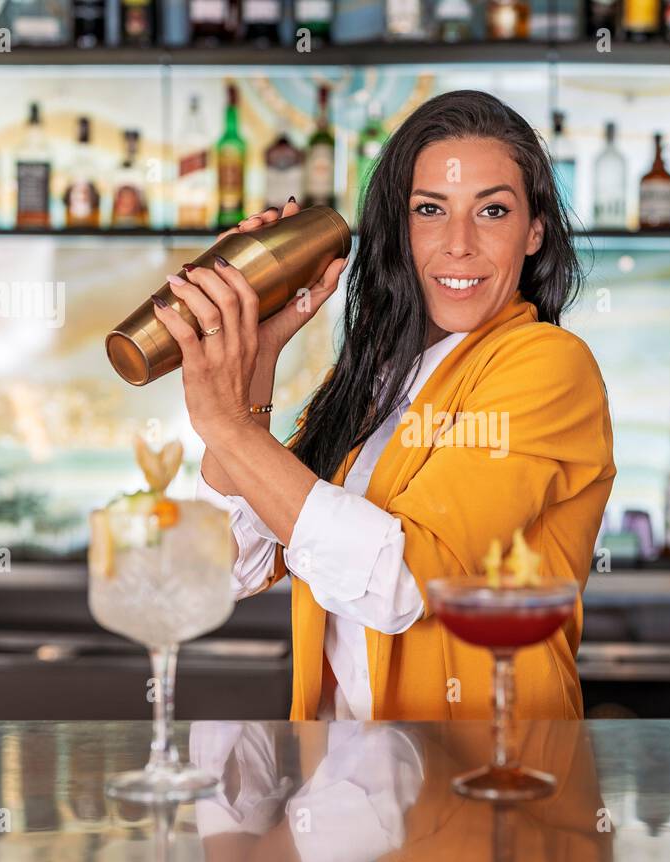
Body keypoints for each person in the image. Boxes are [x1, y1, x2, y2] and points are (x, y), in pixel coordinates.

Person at [154, 89, 616, 720]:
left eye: (493, 212)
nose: (459, 244)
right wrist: (256, 363)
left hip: (482, 790)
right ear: (400, 230)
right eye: (430, 209)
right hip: (347, 788)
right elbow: (227, 568)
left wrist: (228, 425)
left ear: (535, 230)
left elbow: (401, 582)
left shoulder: (548, 366)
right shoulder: (377, 381)